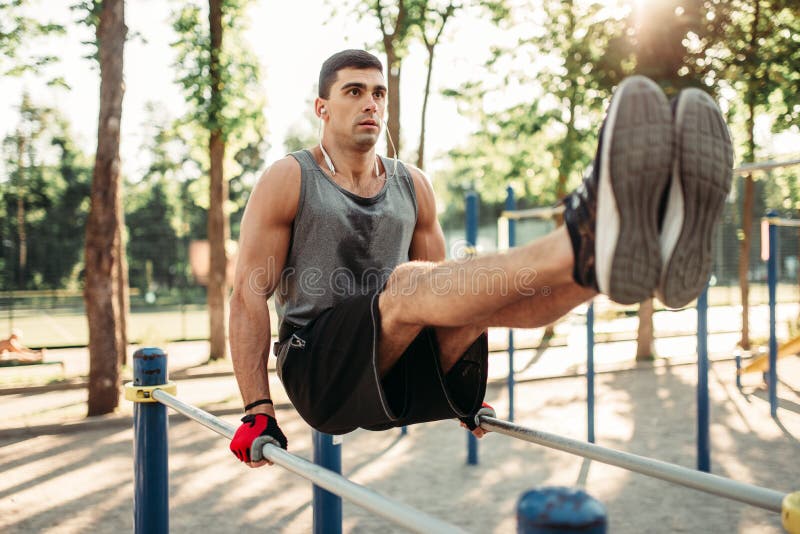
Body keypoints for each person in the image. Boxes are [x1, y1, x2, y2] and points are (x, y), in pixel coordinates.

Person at [228, 49, 733, 467]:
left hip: (393, 375)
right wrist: (257, 408)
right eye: (354, 92)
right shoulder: (290, 178)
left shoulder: (412, 184)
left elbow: (451, 292)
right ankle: (585, 236)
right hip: (318, 371)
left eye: (378, 93)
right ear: (322, 107)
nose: (370, 104)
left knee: (467, 300)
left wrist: (456, 381)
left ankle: (613, 266)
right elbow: (248, 296)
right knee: (406, 287)